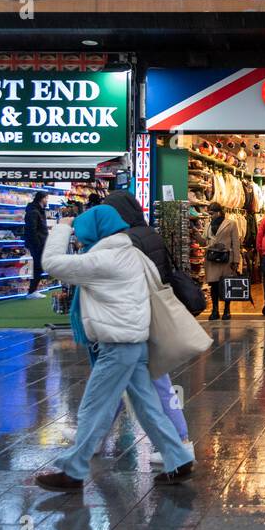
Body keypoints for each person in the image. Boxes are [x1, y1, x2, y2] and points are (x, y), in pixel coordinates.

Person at [33, 205, 196, 491]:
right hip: (136, 341)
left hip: (118, 345)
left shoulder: (104, 258)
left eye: (82, 236)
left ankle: (73, 470)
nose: (80, 242)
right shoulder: (132, 252)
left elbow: (52, 263)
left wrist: (62, 226)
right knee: (147, 406)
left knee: (93, 406)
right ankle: (178, 458)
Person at [103, 190, 193, 467]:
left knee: (154, 382)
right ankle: (93, 435)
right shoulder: (150, 234)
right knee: (116, 381)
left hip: (135, 319)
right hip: (148, 315)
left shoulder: (127, 241)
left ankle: (180, 442)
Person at [203, 202, 241, 321]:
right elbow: (204, 242)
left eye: (212, 213)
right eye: (209, 213)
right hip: (212, 259)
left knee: (226, 284)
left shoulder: (231, 224)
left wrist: (236, 260)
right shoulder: (208, 225)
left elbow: (236, 243)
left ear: (219, 212)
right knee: (213, 285)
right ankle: (215, 310)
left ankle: (227, 310)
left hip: (226, 259)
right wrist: (195, 234)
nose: (211, 215)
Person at [24, 191, 50, 297]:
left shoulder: (38, 210)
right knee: (38, 266)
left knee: (38, 266)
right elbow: (32, 229)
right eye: (46, 198)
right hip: (37, 243)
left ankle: (33, 290)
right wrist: (37, 243)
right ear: (41, 198)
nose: (47, 200)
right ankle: (32, 291)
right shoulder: (34, 211)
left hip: (40, 242)